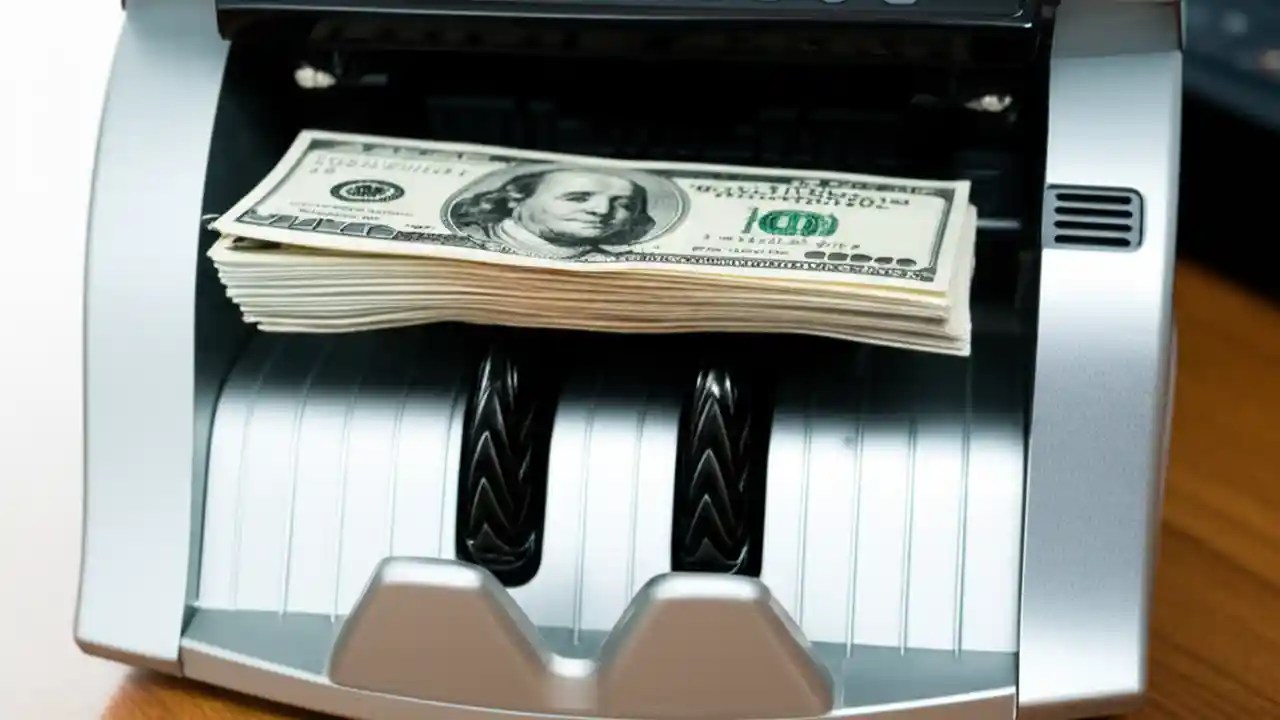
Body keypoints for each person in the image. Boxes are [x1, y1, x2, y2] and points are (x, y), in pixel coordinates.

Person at [448, 168, 657, 259]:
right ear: (516, 198)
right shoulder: (466, 236)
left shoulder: (613, 266)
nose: (601, 211)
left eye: (625, 205)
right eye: (577, 198)